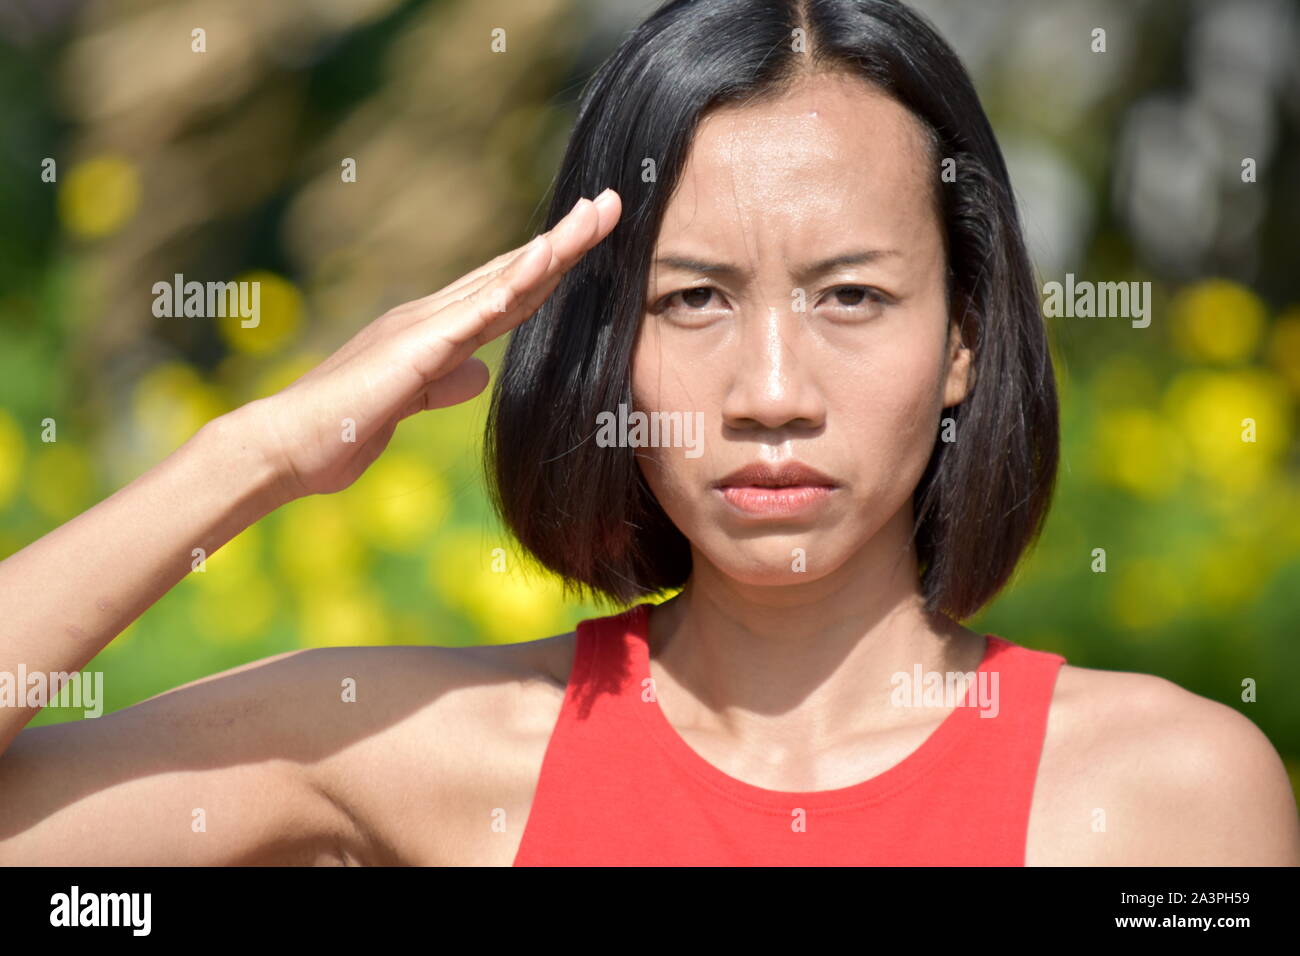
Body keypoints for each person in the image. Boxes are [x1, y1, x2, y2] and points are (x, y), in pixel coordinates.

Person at [1, 0, 1296, 866]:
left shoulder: (1166, 797)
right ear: (605, 343)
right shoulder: (417, 750)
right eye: (693, 299)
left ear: (964, 341)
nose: (772, 389)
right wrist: (260, 451)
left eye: (852, 295)